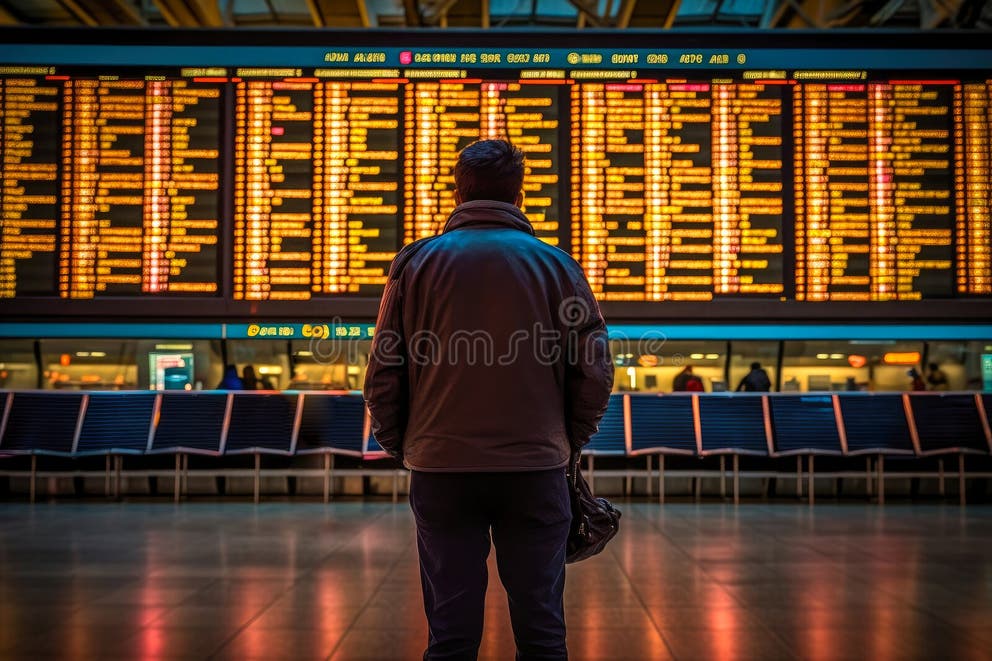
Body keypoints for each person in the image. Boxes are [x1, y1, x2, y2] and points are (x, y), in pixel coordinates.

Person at [364, 139, 613, 661]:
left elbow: (384, 371)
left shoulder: (414, 266)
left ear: (459, 190)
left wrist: (406, 445)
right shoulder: (557, 267)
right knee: (542, 632)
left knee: (450, 636)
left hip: (441, 470)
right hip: (536, 470)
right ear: (519, 194)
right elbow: (593, 372)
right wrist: (568, 441)